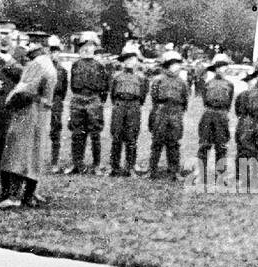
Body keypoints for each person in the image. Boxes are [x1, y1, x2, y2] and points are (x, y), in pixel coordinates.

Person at [0, 40, 58, 208]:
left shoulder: (37, 64)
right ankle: (28, 196)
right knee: (34, 155)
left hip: (28, 111)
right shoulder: (48, 63)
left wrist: (10, 101)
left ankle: (13, 197)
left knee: (18, 153)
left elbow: (25, 90)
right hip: (42, 112)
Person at [67, 31, 110, 174]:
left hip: (94, 100)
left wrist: (97, 101)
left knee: (95, 134)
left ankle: (96, 165)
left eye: (90, 45)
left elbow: (105, 87)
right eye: (83, 45)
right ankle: (77, 164)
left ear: (95, 48)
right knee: (77, 133)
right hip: (78, 100)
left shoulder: (100, 66)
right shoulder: (75, 65)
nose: (86, 48)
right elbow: (72, 85)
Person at [147, 50, 189, 179]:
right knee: (157, 142)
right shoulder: (158, 80)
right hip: (161, 111)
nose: (177, 66)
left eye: (178, 64)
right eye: (174, 64)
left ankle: (173, 171)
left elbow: (185, 100)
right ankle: (152, 170)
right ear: (167, 65)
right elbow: (154, 98)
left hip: (175, 113)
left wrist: (177, 113)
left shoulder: (182, 82)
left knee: (174, 143)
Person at [108, 45, 149, 176]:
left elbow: (143, 95)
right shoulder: (116, 76)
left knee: (132, 138)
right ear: (123, 61)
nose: (130, 62)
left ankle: (130, 167)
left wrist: (134, 104)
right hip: (119, 106)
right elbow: (113, 95)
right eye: (127, 59)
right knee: (117, 136)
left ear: (136, 61)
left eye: (132, 59)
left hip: (134, 106)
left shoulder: (141, 78)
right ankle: (115, 167)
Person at [197, 53, 235, 177]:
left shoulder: (229, 85)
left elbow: (228, 103)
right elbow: (204, 100)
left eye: (223, 67)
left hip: (222, 115)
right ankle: (200, 172)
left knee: (221, 145)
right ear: (215, 69)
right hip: (208, 114)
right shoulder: (208, 84)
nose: (221, 69)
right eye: (218, 67)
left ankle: (221, 173)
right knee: (204, 144)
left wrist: (222, 113)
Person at [46, 35, 69, 172]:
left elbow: (64, 89)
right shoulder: (44, 68)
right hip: (44, 101)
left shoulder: (63, 71)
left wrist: (58, 101)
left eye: (57, 52)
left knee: (56, 131)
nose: (54, 54)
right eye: (52, 51)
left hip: (57, 101)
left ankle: (54, 162)